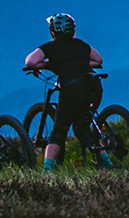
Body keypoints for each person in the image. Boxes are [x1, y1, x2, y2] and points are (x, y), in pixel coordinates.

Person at [23, 12, 106, 169]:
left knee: (59, 130)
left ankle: (47, 169)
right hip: (94, 85)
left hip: (72, 88)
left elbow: (30, 62)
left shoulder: (50, 47)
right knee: (83, 126)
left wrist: (49, 64)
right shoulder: (81, 44)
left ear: (53, 31)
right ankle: (106, 161)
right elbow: (98, 60)